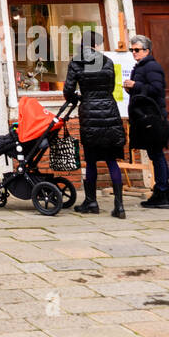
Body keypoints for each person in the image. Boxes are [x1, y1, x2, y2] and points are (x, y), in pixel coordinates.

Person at [63, 40, 127, 219]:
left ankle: (91, 202)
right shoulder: (107, 61)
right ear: (96, 45)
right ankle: (119, 206)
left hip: (90, 112)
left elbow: (68, 90)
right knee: (111, 160)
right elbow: (112, 87)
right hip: (109, 110)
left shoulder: (76, 62)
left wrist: (79, 97)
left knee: (91, 160)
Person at [124, 34, 169, 209]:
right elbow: (144, 92)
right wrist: (132, 88)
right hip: (147, 116)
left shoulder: (151, 66)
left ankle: (161, 193)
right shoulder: (142, 66)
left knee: (156, 154)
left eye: (137, 50)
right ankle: (166, 193)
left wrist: (135, 85)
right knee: (156, 154)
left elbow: (156, 89)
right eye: (132, 50)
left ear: (147, 50)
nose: (134, 53)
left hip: (153, 117)